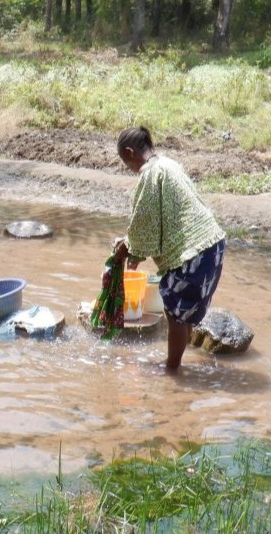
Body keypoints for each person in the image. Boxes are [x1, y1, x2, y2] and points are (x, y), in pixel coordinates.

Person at [113, 126, 226, 372]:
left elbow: (145, 219)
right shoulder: (169, 164)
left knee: (175, 315)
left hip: (192, 252)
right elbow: (168, 215)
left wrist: (130, 250)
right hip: (213, 245)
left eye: (126, 163)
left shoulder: (150, 173)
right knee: (182, 312)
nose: (130, 169)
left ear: (130, 153)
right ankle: (179, 361)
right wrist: (133, 247)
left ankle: (172, 370)